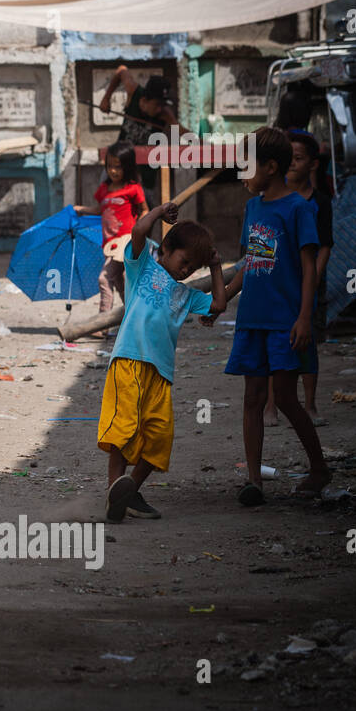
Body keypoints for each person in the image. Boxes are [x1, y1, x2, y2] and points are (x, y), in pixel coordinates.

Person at [216, 126, 331, 506]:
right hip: (253, 318)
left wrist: (304, 318)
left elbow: (309, 267)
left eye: (247, 166)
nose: (242, 173)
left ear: (270, 166)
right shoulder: (253, 207)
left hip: (286, 320)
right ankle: (254, 480)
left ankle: (318, 467)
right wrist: (225, 297)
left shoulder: (299, 208)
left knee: (284, 397)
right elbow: (252, 260)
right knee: (253, 397)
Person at [100, 204, 226, 522]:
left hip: (161, 374)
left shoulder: (186, 295)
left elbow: (219, 304)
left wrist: (214, 267)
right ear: (166, 250)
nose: (186, 271)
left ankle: (127, 492)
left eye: (192, 267)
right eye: (184, 261)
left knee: (158, 437)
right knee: (123, 432)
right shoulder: (143, 267)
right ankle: (115, 490)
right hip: (128, 362)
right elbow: (139, 231)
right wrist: (159, 212)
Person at [262, 129, 333, 426]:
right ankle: (271, 406)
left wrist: (313, 280)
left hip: (306, 282)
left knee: (306, 342)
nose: (293, 162)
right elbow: (259, 254)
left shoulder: (313, 203)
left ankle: (310, 404)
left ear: (312, 164)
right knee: (273, 346)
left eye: (299, 158)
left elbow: (323, 245)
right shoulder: (263, 203)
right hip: (277, 285)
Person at [74, 140, 148, 320]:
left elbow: (144, 209)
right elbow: (100, 210)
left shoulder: (132, 189)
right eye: (109, 166)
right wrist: (81, 210)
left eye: (118, 167)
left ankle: (103, 322)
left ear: (127, 167)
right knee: (119, 282)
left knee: (104, 278)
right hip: (109, 245)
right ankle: (133, 317)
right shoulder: (104, 189)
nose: (113, 171)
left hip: (125, 243)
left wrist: (140, 228)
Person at [100, 69, 188, 147]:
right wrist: (106, 98)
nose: (160, 109)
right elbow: (121, 70)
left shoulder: (165, 114)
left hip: (148, 160)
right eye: (157, 104)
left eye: (163, 104)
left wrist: (199, 141)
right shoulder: (134, 93)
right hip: (125, 156)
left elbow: (181, 131)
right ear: (145, 100)